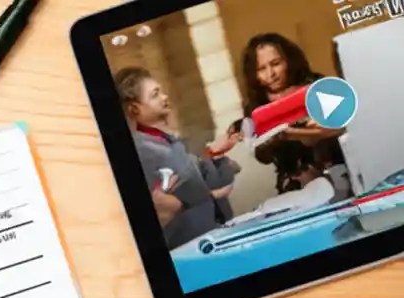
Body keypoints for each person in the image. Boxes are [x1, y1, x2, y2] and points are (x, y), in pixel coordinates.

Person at [114, 67, 240, 249]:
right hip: (189, 243)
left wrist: (214, 155)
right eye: (155, 95)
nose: (164, 97)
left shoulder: (162, 140)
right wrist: (221, 165)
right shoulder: (145, 150)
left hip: (206, 235)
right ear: (135, 109)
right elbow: (200, 186)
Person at [242, 33, 346, 194]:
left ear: (289, 60)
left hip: (339, 171)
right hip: (296, 186)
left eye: (276, 63)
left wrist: (298, 131)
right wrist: (271, 138)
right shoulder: (256, 106)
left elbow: (344, 124)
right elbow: (262, 156)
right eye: (261, 69)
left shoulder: (317, 85)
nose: (271, 74)